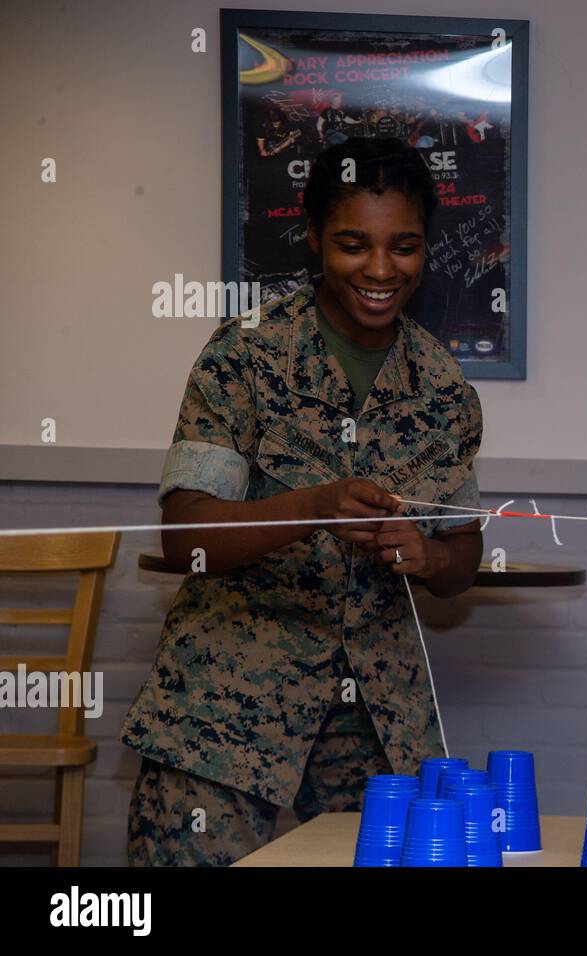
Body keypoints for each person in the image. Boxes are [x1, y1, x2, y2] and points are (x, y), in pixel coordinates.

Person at [122, 137, 484, 865]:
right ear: (315, 237)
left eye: (404, 247)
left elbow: (463, 557)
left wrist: (432, 552)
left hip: (377, 719)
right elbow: (184, 539)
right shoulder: (243, 356)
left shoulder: (445, 391)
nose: (381, 270)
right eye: (354, 244)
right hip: (225, 708)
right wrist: (314, 506)